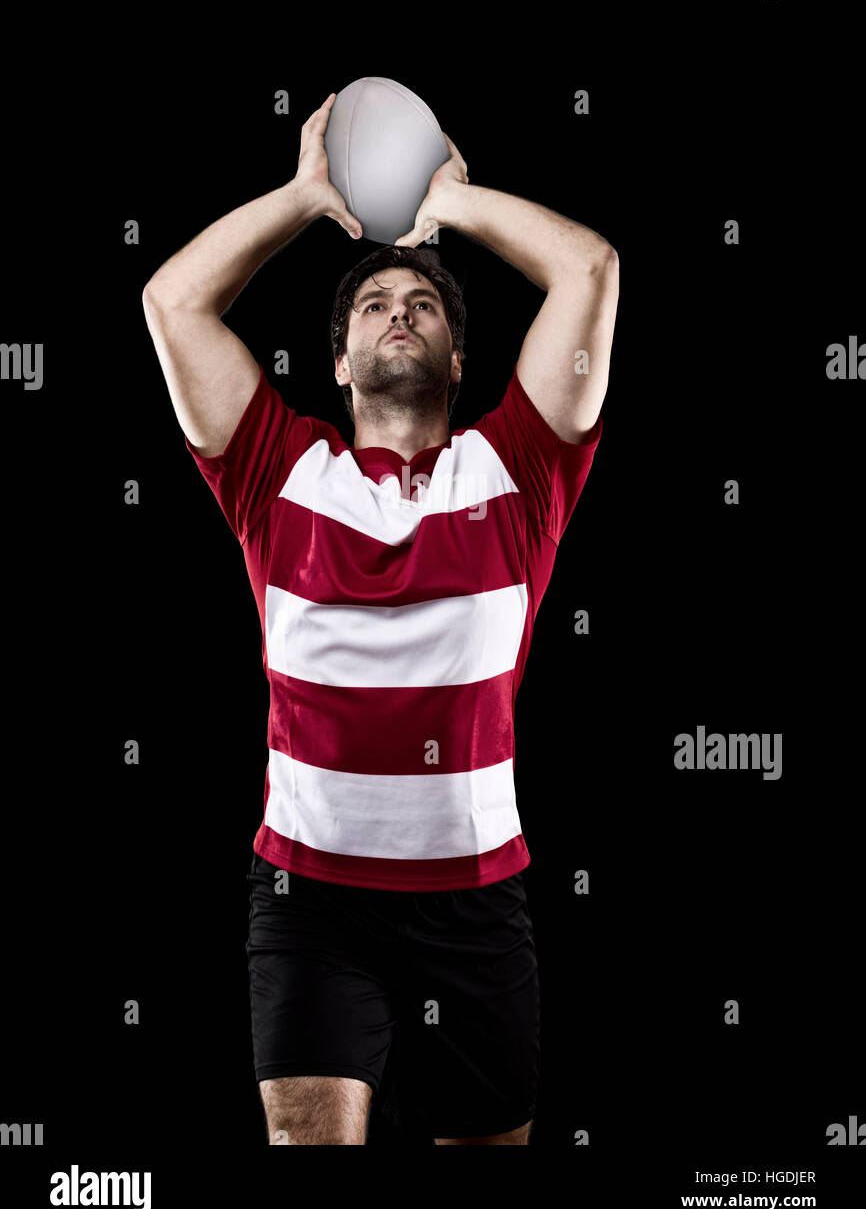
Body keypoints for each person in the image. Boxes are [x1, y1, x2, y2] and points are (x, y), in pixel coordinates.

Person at [141, 93, 619, 1145]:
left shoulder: (520, 471)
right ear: (341, 367)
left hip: (478, 900)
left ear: (457, 363)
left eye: (423, 302)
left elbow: (588, 268)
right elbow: (172, 302)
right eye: (370, 307)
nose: (397, 308)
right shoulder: (278, 471)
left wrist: (449, 202)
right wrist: (304, 198)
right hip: (308, 894)